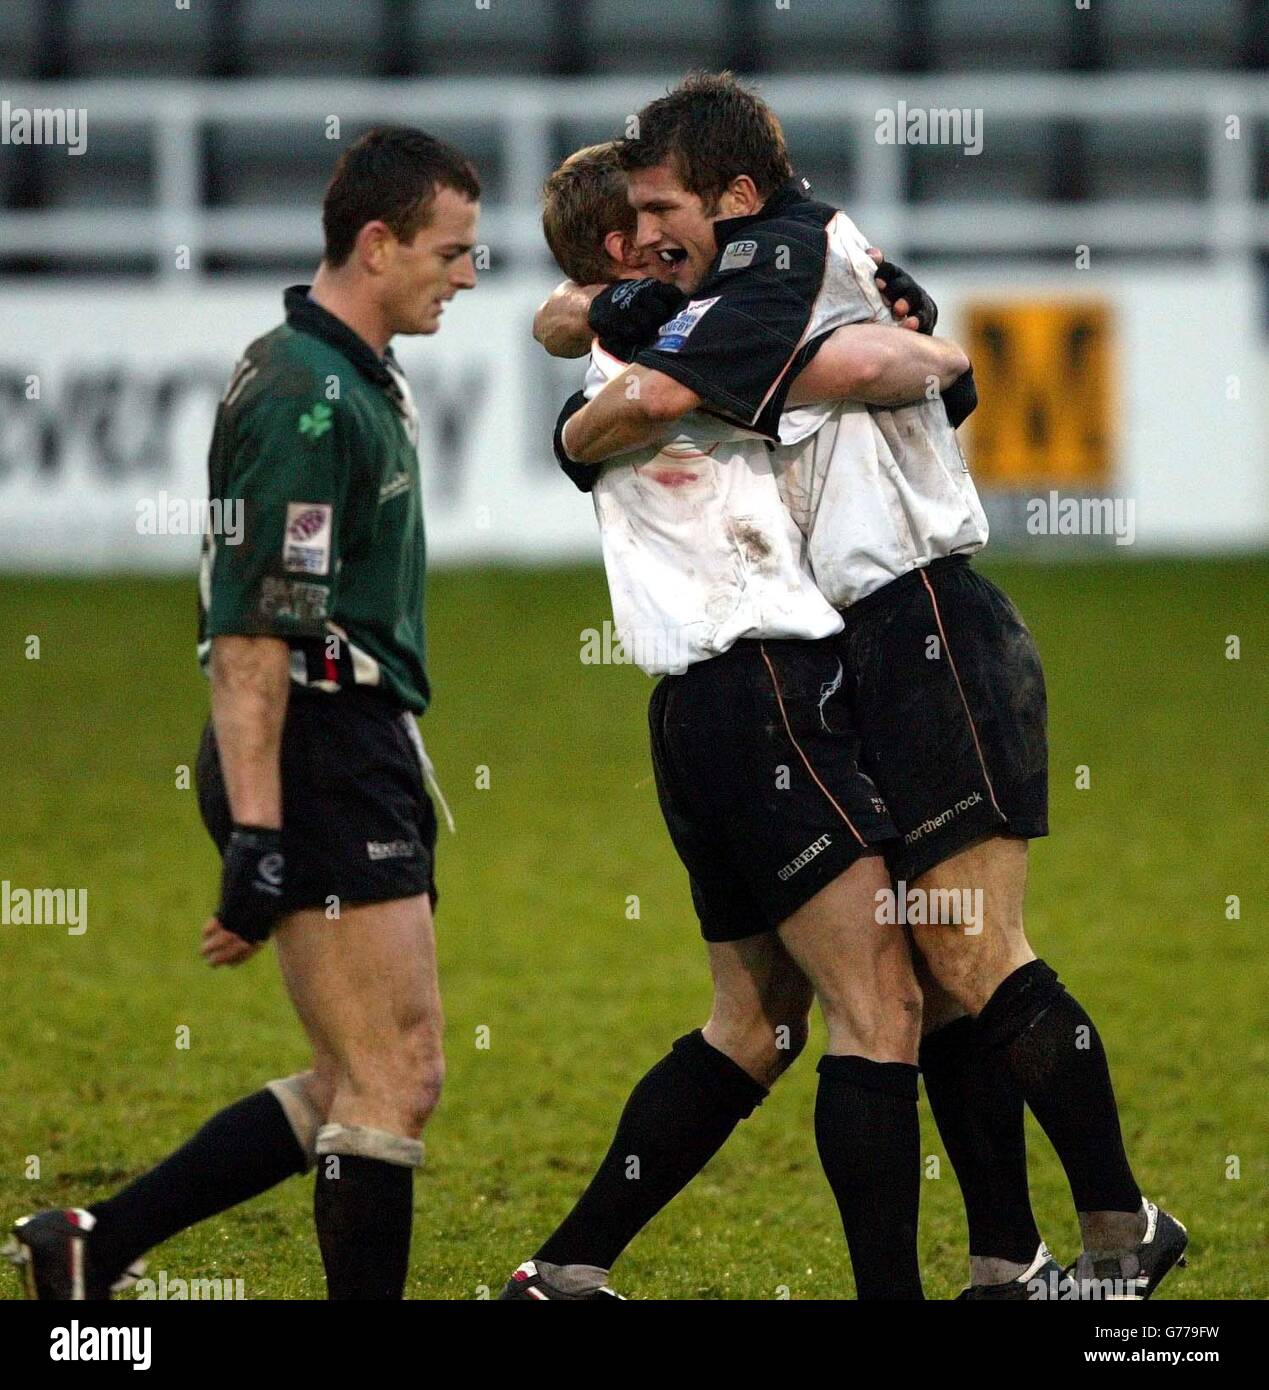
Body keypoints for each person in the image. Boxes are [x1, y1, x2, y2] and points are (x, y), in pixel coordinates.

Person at [554, 71, 1187, 1302]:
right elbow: (937, 368)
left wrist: (584, 356)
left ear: (734, 197)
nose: (659, 236)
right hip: (866, 640)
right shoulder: (768, 268)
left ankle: (1122, 1226)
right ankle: (1006, 1257)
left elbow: (893, 365)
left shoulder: (776, 262)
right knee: (932, 977)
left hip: (926, 616)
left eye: (669, 208)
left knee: (973, 954)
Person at [7, 126, 480, 1301]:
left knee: (356, 1073)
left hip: (346, 744)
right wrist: (262, 832)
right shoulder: (308, 401)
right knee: (393, 1076)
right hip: (317, 746)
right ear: (377, 245)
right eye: (451, 251)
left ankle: (88, 1247)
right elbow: (253, 639)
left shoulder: (343, 371)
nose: (467, 275)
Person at [501, 141, 970, 1302]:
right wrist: (940, 343)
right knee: (886, 1003)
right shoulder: (692, 353)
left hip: (694, 716)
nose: (699, 227)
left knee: (755, 1023)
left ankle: (563, 1268)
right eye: (665, 213)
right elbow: (879, 365)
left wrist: (582, 323)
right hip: (762, 694)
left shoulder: (623, 353)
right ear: (628, 245)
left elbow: (564, 328)